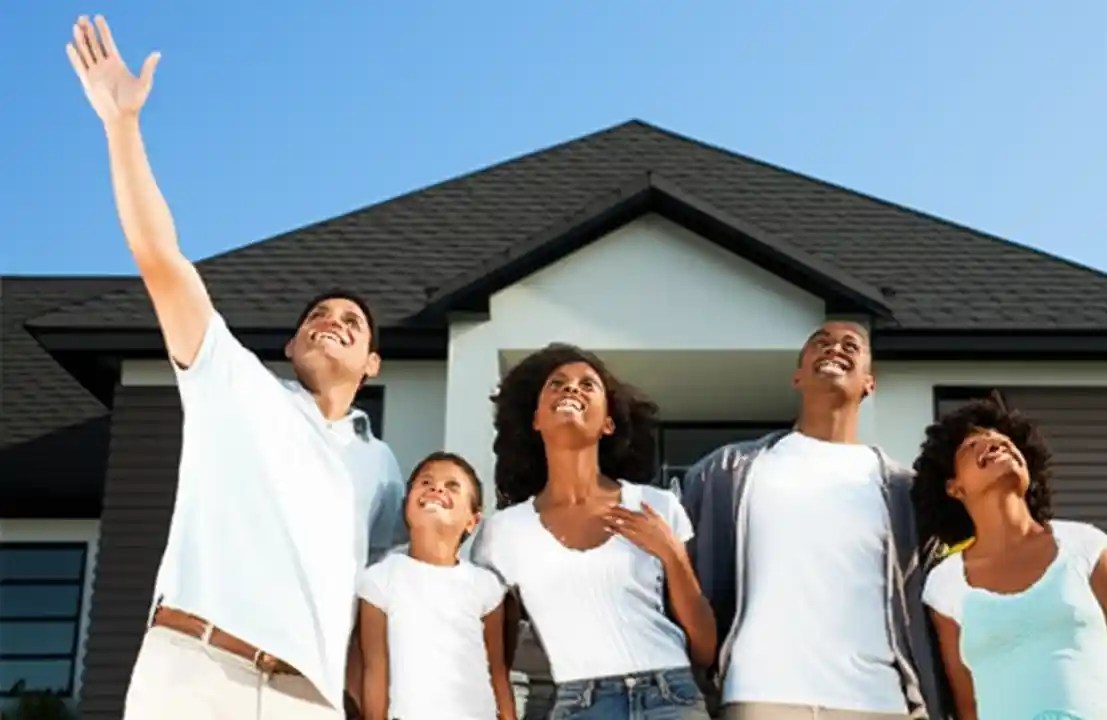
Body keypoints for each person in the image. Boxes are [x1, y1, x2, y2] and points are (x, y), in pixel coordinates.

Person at [65, 16, 405, 718]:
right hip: (198, 671)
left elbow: (380, 598)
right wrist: (121, 125)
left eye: (352, 322)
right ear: (291, 346)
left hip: (307, 699)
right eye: (318, 315)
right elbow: (161, 260)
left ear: (371, 362)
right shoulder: (234, 382)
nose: (331, 321)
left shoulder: (382, 469)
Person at [679, 321, 946, 720]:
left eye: (850, 345)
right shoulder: (726, 473)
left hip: (878, 701)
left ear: (869, 383)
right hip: (759, 695)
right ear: (797, 376)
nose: (834, 348)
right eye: (821, 343)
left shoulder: (905, 491)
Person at [472, 344, 716, 719]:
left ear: (608, 424)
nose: (571, 388)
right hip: (579, 705)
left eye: (588, 384)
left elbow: (705, 647)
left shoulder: (657, 506)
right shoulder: (503, 533)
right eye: (557, 384)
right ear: (535, 419)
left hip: (671, 697)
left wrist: (672, 553)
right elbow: (492, 654)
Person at [911, 397, 1107, 720]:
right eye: (973, 445)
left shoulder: (1086, 546)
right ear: (954, 488)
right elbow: (968, 709)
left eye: (1004, 441)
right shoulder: (945, 585)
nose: (996, 444)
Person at [357, 452, 514, 720]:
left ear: (472, 521)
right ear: (406, 506)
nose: (437, 489)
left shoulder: (484, 586)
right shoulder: (380, 580)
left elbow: (497, 674)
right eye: (425, 482)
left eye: (452, 486)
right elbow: (374, 670)